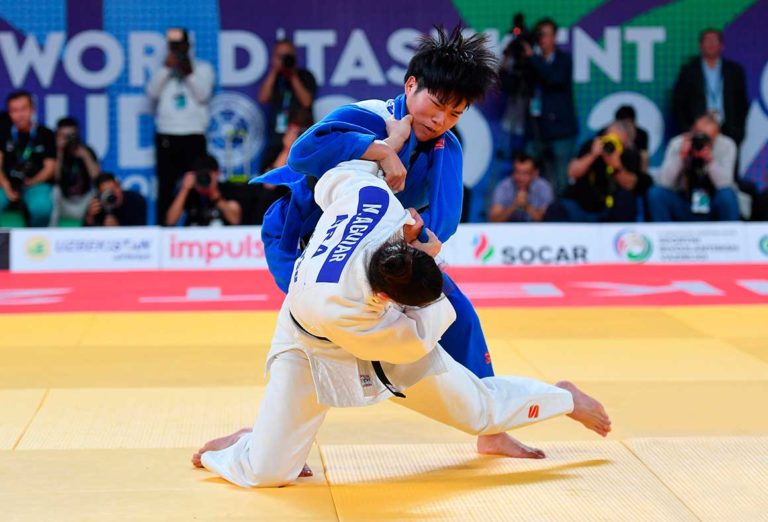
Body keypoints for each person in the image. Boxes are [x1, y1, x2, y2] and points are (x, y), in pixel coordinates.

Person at [193, 160, 611, 488]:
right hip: (308, 345)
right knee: (267, 472)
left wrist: (385, 153)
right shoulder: (350, 311)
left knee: (480, 412)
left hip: (350, 315)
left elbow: (337, 176)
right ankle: (254, 441)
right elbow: (416, 337)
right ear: (388, 300)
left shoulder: (373, 203)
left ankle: (565, 399)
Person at [255, 27, 544, 461]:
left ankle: (492, 426)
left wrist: (418, 238)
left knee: (456, 309)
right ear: (411, 85)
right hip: (301, 235)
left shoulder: (447, 147)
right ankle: (273, 437)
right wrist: (381, 150)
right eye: (436, 104)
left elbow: (443, 225)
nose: (440, 120)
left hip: (372, 240)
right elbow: (301, 154)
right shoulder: (371, 116)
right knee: (318, 330)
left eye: (454, 113)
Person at [146, 28, 215, 225]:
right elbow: (152, 92)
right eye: (172, 46)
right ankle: (163, 229)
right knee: (166, 187)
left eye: (180, 46)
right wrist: (167, 69)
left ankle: (198, 226)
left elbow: (203, 95)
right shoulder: (163, 70)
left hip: (193, 135)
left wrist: (188, 71)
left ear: (188, 46)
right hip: (167, 135)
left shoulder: (203, 68)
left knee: (197, 185)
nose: (176, 50)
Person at [647, 112, 739, 222]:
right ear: (692, 131)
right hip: (683, 202)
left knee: (727, 195)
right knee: (656, 194)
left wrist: (710, 161)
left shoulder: (726, 145)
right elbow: (664, 182)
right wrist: (681, 157)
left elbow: (725, 183)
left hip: (713, 203)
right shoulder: (678, 143)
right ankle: (663, 236)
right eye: (699, 135)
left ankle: (731, 237)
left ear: (717, 133)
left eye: (707, 139)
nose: (702, 142)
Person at [523, 18, 578, 196]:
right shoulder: (531, 62)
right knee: (529, 176)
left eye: (544, 34)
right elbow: (512, 85)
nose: (541, 39)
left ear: (555, 37)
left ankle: (560, 219)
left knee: (561, 180)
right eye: (538, 35)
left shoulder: (564, 60)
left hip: (561, 131)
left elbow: (554, 79)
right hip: (537, 129)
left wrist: (532, 58)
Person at [559, 120, 652, 222]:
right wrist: (592, 155)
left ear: (626, 143)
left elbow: (631, 184)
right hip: (584, 206)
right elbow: (572, 173)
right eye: (609, 138)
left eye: (617, 142)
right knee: (559, 207)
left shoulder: (630, 154)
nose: (611, 144)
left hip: (612, 210)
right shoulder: (591, 146)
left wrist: (616, 166)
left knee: (625, 198)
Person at [673, 28, 748, 148]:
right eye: (707, 41)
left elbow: (742, 104)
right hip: (699, 129)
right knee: (699, 165)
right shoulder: (689, 71)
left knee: (727, 164)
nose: (711, 44)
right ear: (700, 45)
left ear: (722, 45)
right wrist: (688, 128)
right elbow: (679, 103)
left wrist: (738, 131)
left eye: (715, 41)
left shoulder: (734, 71)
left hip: (728, 129)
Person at [258, 39, 317, 172]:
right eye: (280, 56)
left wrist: (292, 75)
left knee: (300, 182)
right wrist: (274, 70)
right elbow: (263, 98)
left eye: (287, 56)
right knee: (269, 180)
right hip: (276, 141)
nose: (284, 59)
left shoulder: (305, 76)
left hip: (300, 140)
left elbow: (306, 101)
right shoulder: (275, 79)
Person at [0, 91, 56, 227]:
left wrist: (31, 182)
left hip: (35, 183)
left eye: (23, 109)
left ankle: (35, 242)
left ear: (32, 109)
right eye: (14, 110)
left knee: (42, 208)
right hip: (5, 184)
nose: (19, 115)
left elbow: (50, 167)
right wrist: (6, 186)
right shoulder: (2, 131)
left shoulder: (45, 133)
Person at [165, 154, 242, 226]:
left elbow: (235, 220)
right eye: (200, 175)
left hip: (221, 239)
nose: (203, 179)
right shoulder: (191, 194)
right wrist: (184, 189)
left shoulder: (227, 190)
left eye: (207, 175)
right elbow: (170, 221)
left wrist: (216, 196)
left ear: (217, 173)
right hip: (193, 239)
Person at [50, 117, 100, 226]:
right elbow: (55, 178)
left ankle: (93, 233)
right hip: (64, 203)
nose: (68, 139)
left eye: (71, 135)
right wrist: (59, 152)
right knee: (54, 192)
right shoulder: (54, 153)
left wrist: (85, 156)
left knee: (97, 194)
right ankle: (51, 234)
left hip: (84, 203)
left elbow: (97, 177)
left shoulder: (86, 151)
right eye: (64, 136)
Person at [489, 152, 553, 222]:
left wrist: (527, 206)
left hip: (537, 232)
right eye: (517, 172)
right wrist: (514, 205)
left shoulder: (544, 188)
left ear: (535, 173)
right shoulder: (504, 187)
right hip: (510, 230)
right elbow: (494, 219)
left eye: (525, 173)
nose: (520, 178)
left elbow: (546, 221)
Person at [600, 105, 649, 172]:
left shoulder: (641, 134)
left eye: (627, 126)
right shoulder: (605, 132)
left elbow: (644, 158)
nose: (625, 129)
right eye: (621, 126)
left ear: (634, 123)